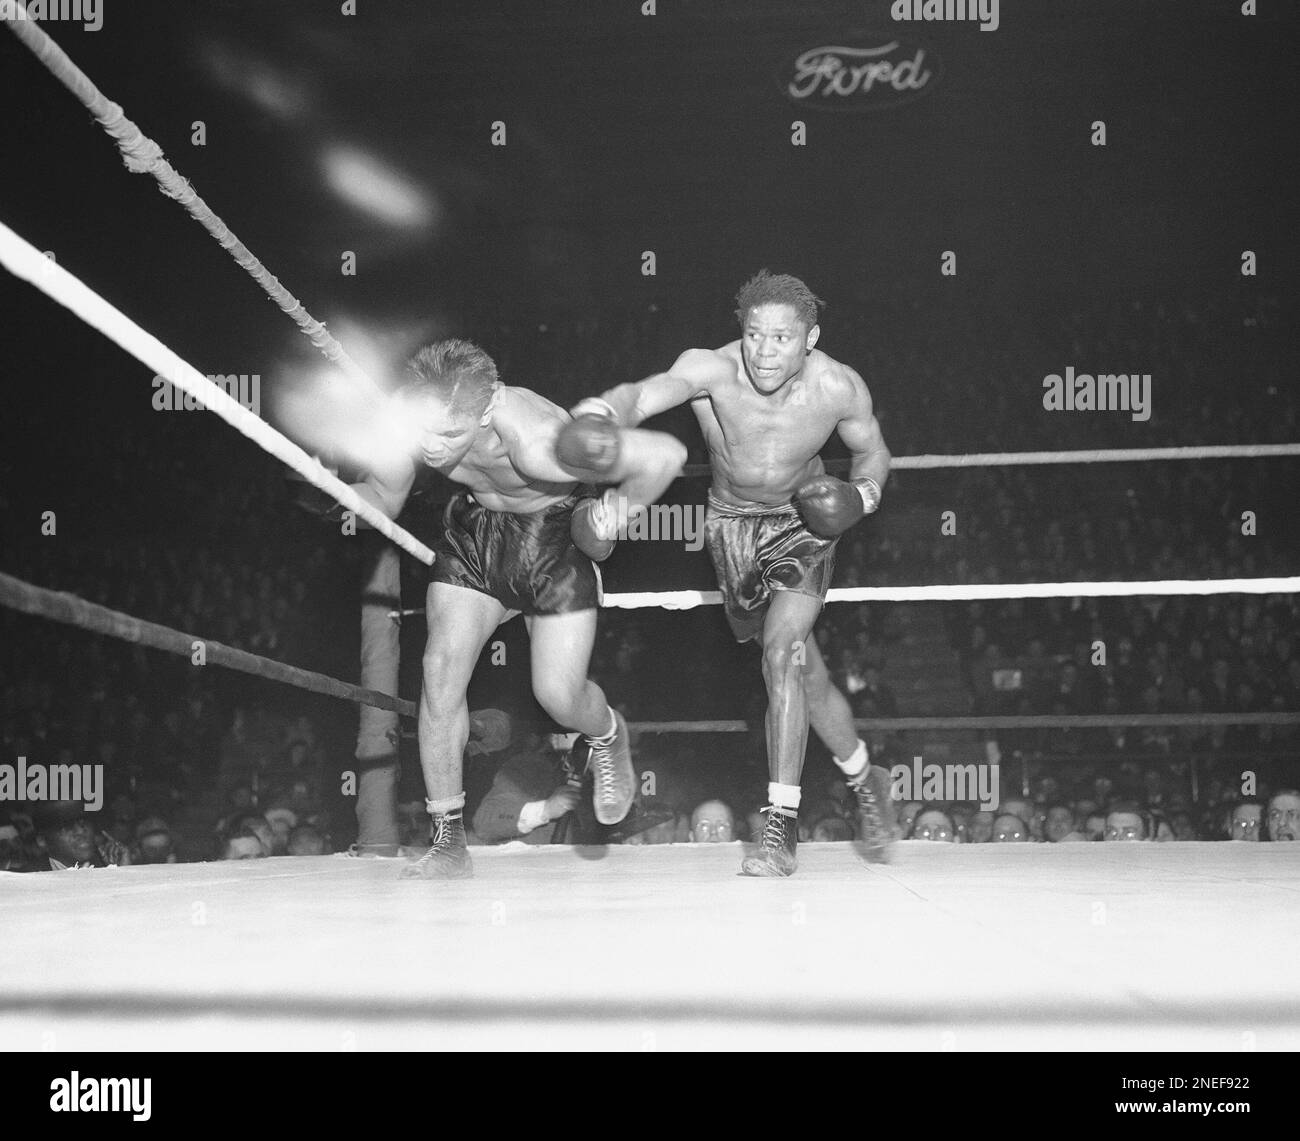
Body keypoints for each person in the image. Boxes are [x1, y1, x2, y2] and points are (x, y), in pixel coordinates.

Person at [559, 271, 894, 877]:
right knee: (806, 674)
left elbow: (874, 452)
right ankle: (865, 777)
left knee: (782, 653)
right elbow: (649, 392)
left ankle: (779, 826)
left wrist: (861, 497)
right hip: (731, 528)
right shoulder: (712, 369)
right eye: (754, 335)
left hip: (804, 523)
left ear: (810, 339)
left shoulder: (839, 387)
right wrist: (602, 411)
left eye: (782, 338)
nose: (764, 352)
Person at [314, 339, 686, 879]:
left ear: (487, 410)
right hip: (475, 534)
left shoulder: (541, 442)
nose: (433, 448)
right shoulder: (414, 420)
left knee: (558, 698)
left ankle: (606, 732)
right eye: (424, 431)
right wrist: (333, 494)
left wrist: (613, 513)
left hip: (552, 539)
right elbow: (384, 498)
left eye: (450, 435)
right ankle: (448, 841)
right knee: (439, 673)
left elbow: (665, 456)